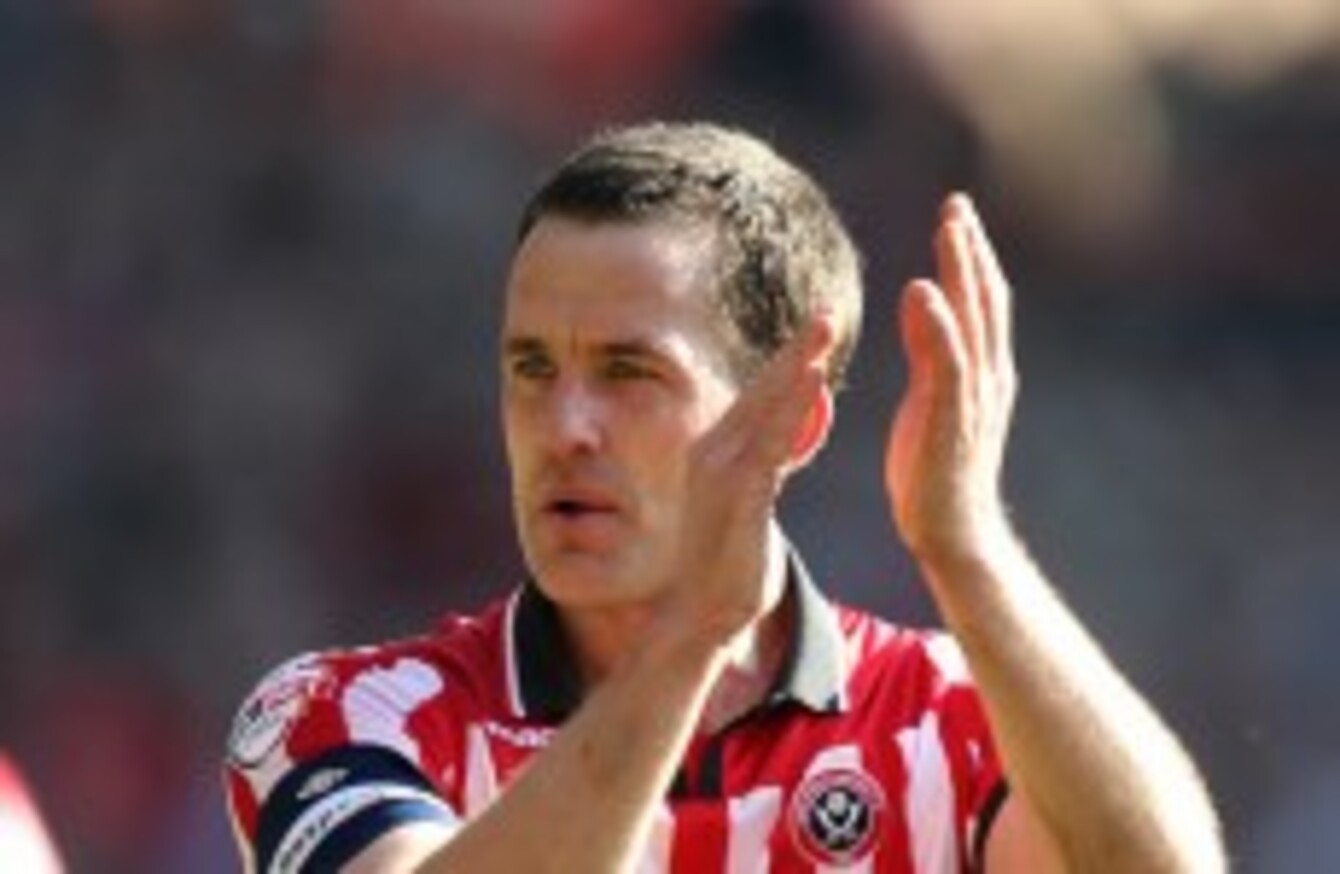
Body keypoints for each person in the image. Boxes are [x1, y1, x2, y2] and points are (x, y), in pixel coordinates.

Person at [223, 122, 1225, 872]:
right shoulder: (347, 714)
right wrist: (689, 640)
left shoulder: (950, 717)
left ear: (792, 421)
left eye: (628, 371)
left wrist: (965, 548)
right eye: (531, 366)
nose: (564, 425)